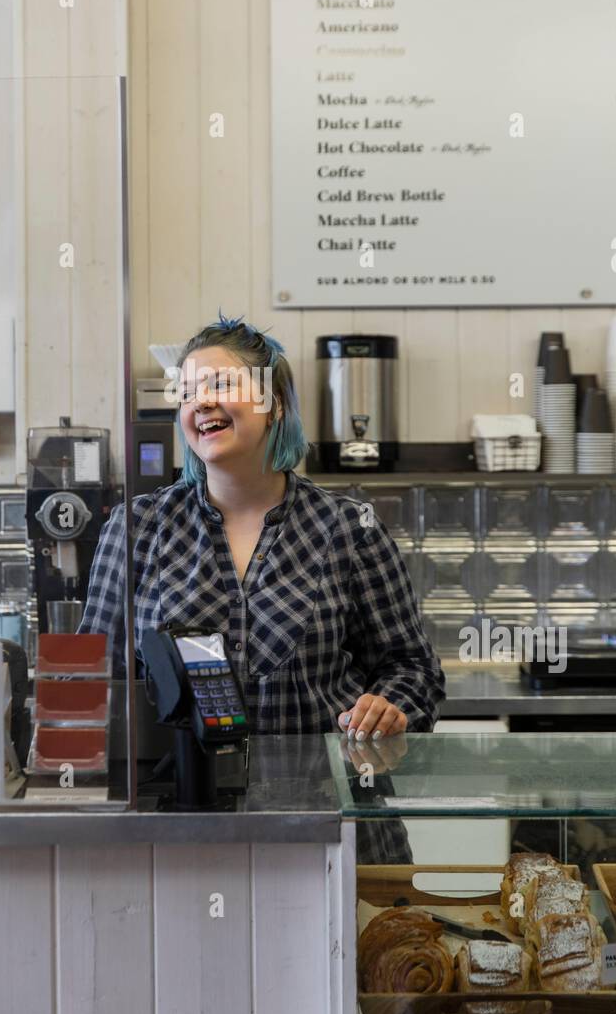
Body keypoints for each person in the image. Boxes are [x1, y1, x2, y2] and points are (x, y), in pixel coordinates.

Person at [80, 313, 444, 748]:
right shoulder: (136, 527)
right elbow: (92, 679)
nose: (201, 402)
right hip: (184, 803)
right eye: (188, 393)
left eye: (221, 385)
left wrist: (387, 709)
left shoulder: (350, 529)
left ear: (276, 405)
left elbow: (413, 669)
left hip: (329, 801)